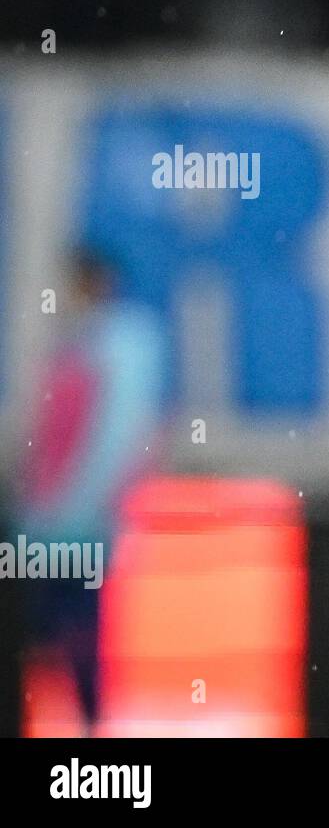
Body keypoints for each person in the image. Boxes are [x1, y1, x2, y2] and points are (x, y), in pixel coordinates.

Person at [14, 245, 167, 735]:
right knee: (49, 640)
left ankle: (89, 738)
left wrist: (73, 511)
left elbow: (115, 440)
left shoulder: (123, 343)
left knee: (79, 637)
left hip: (77, 528)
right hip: (50, 526)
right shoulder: (79, 342)